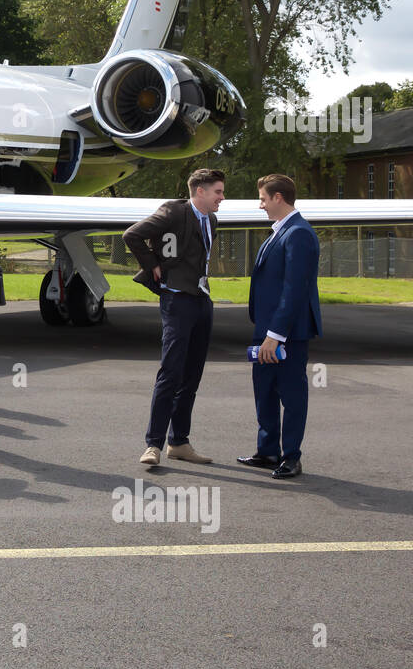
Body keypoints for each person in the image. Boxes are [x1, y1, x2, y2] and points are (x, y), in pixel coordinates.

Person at [122, 168, 225, 468]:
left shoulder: (212, 220)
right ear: (200, 191)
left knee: (192, 375)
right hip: (177, 300)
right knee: (170, 373)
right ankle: (153, 444)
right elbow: (133, 235)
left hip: (202, 300)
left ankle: (179, 441)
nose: (222, 197)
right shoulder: (174, 211)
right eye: (217, 191)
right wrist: (152, 264)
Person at [239, 173, 322, 480]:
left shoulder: (299, 233)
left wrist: (275, 336)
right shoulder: (280, 231)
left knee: (291, 394)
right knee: (265, 391)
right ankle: (267, 451)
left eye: (262, 198)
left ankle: (291, 457)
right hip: (266, 330)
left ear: (277, 198)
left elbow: (294, 290)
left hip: (286, 333)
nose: (260, 205)